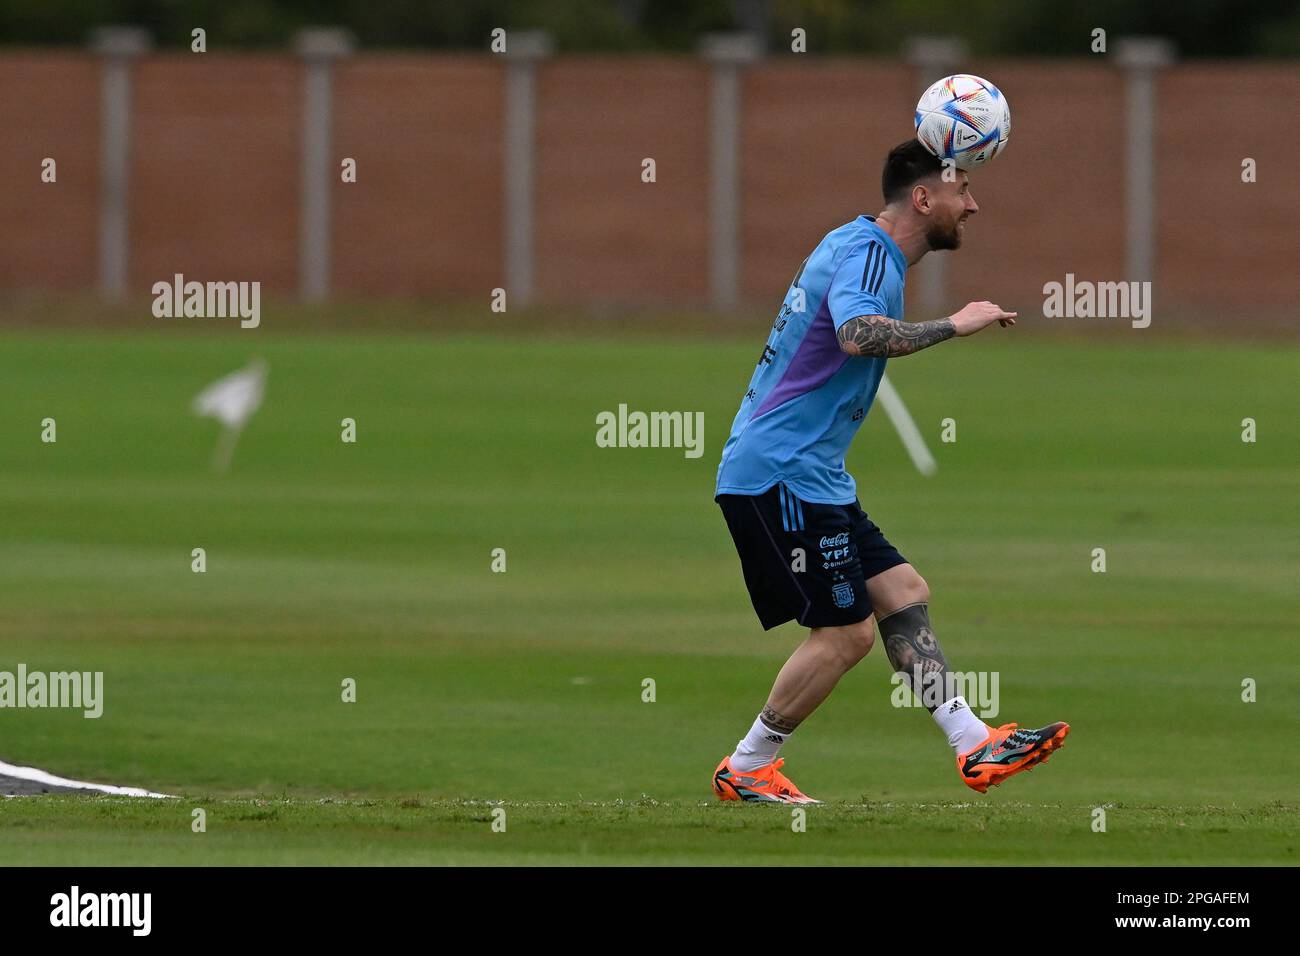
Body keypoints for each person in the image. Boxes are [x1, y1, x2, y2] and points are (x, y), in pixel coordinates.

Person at [712, 139, 1068, 803]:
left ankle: (973, 745)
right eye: (963, 190)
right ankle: (747, 766)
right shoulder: (868, 253)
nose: (974, 204)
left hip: (808, 473)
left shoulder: (858, 244)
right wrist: (955, 324)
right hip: (779, 474)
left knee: (901, 591)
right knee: (845, 633)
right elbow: (858, 334)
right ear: (923, 196)